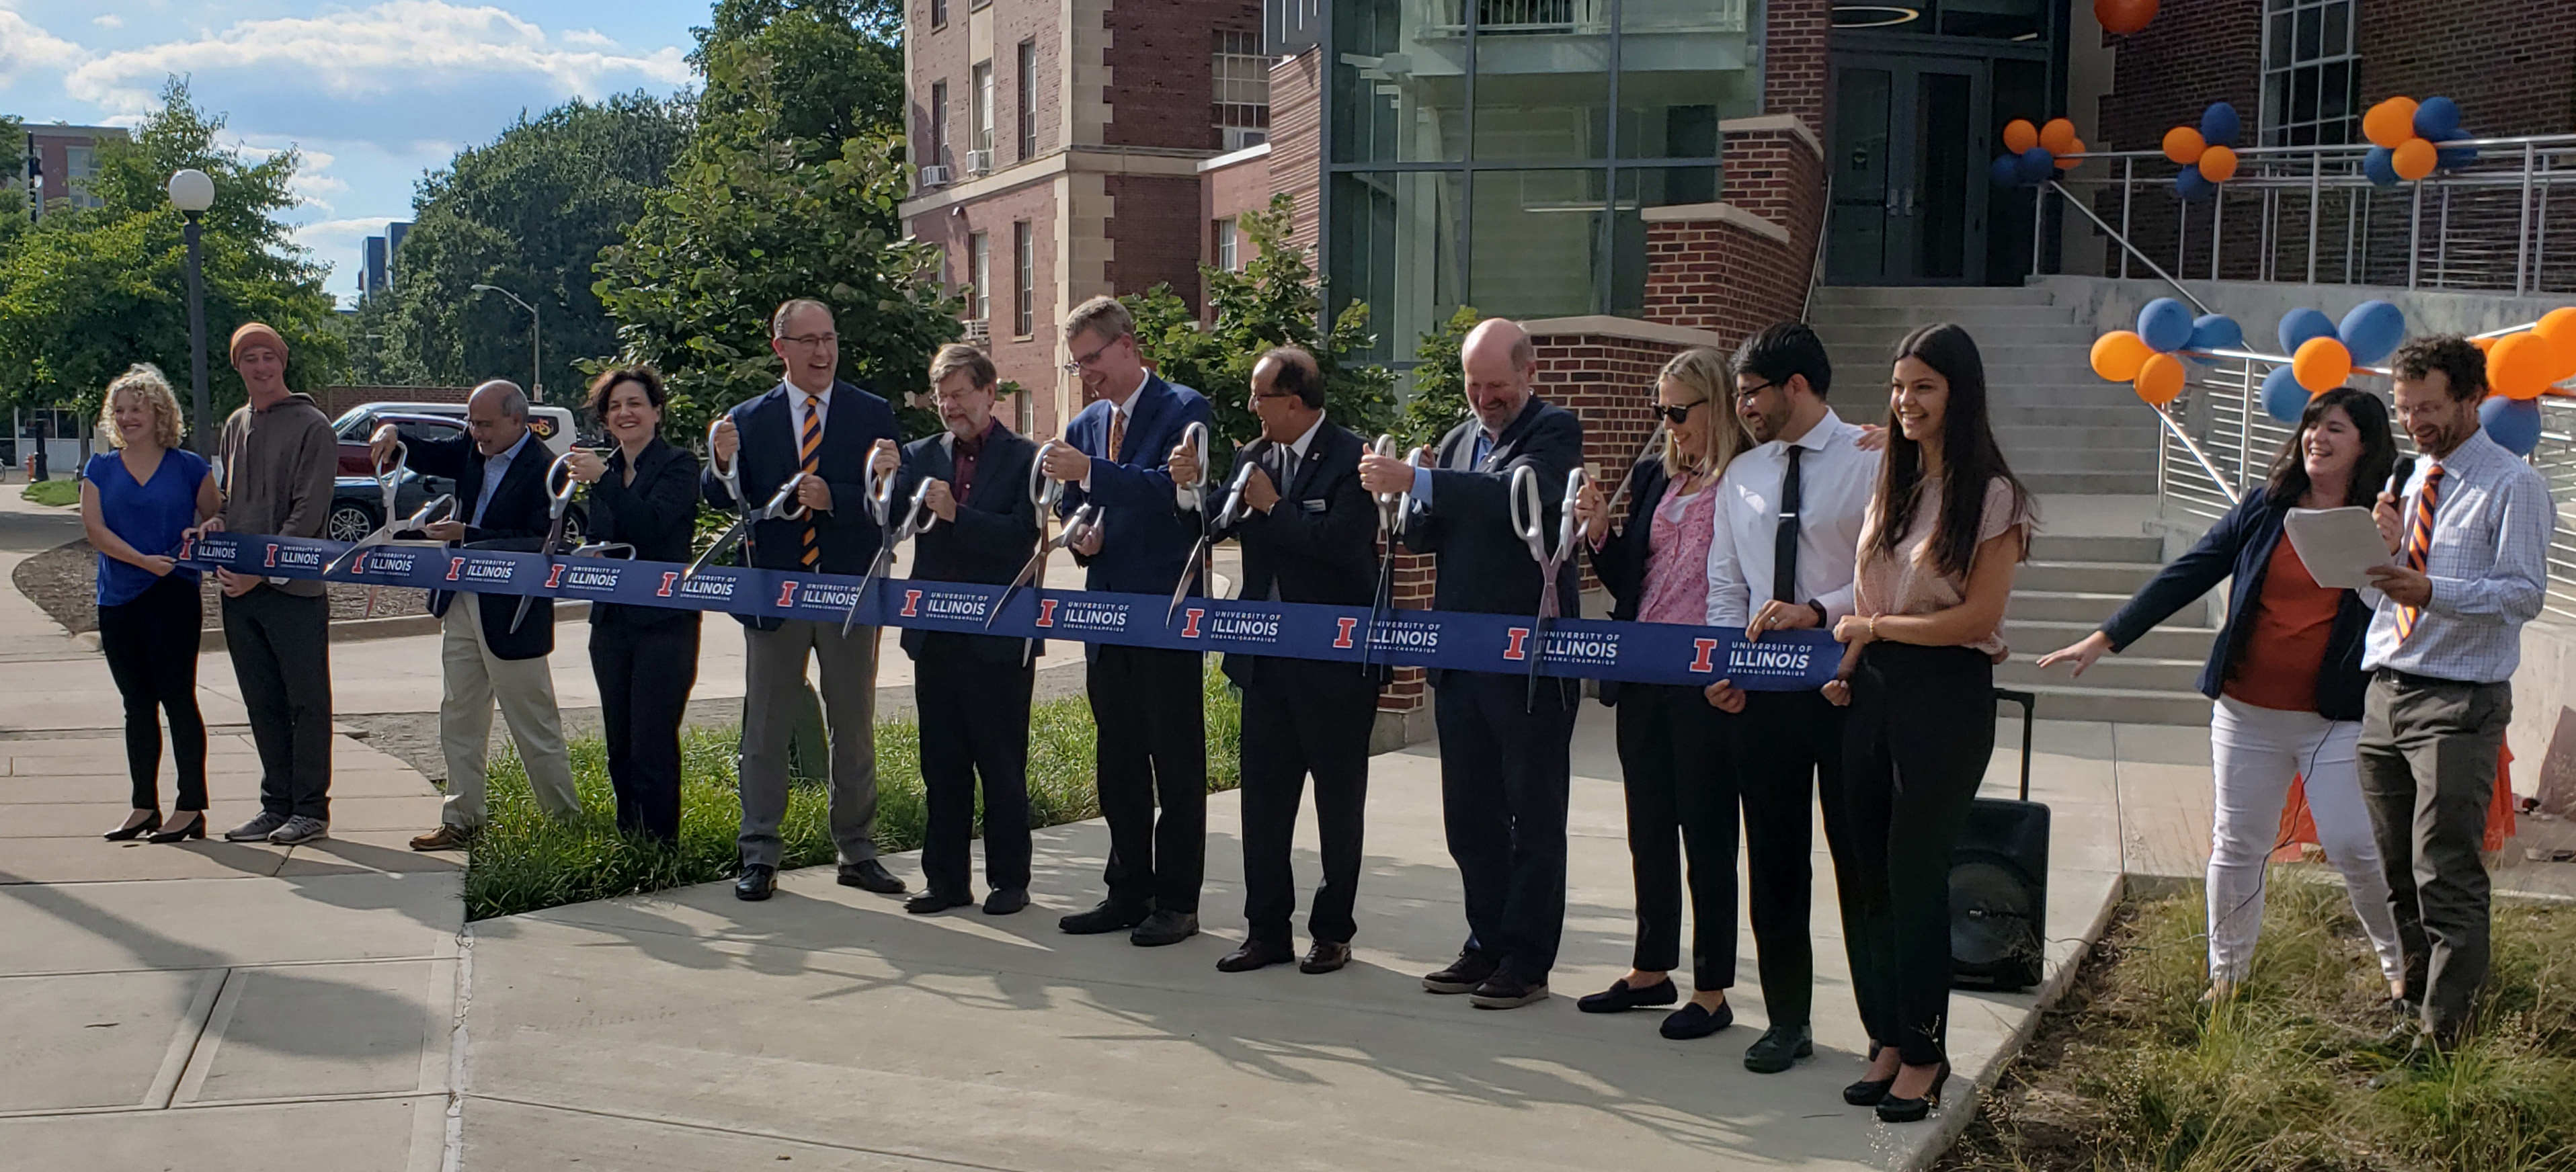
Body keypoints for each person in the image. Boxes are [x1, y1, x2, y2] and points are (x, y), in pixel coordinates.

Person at [2038, 387, 2407, 1006]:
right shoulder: (2266, 507)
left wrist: (2389, 552)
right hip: (2246, 712)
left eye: (2336, 429)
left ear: (2365, 445)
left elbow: (2393, 615)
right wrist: (2107, 636)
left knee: (2352, 844)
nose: (2317, 437)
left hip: (2333, 718)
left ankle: (2403, 970)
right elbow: (2192, 569)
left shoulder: (2381, 519)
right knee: (2238, 845)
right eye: (2313, 425)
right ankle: (2227, 978)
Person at [1828, 323, 2031, 1123]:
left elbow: (1976, 617)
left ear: (1959, 394)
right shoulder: (1895, 483)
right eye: (1898, 386)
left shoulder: (1994, 497)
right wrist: (1850, 667)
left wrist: (1872, 636)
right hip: (1872, 687)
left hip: (1946, 692)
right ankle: (1886, 1039)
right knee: (1867, 874)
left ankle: (1925, 1053)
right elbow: (1867, 598)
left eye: (1924, 387)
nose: (1906, 402)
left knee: (1914, 874)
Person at [1359, 318, 1584, 1010]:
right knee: (1471, 816)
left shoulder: (1554, 432)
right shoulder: (1457, 441)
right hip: (1459, 660)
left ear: (1528, 374)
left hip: (1530, 662)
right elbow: (1432, 533)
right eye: (1473, 384)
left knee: (1533, 816)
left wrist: (1424, 478)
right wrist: (1400, 498)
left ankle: (1526, 957)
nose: (1484, 398)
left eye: (1497, 386)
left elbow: (1516, 497)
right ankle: (1484, 939)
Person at [2358, 335, 2554, 1049]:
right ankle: (2407, 1012)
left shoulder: (2514, 485)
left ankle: (2444, 1043)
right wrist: (2374, 555)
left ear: (2472, 398)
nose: (2414, 423)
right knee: (2395, 876)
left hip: (2456, 702)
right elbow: (2379, 593)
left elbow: (2523, 594)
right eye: (2405, 408)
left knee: (2445, 873)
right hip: (2385, 689)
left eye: (2430, 408)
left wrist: (2432, 589)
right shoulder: (2410, 479)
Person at [1697, 321, 1881, 1073]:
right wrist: (1720, 664)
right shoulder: (1743, 476)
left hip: (1847, 687)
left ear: (1796, 387)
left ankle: (1886, 1027)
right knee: (1772, 858)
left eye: (1750, 394)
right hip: (1760, 697)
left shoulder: (1870, 459)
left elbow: (1884, 570)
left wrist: (1817, 609)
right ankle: (1786, 1021)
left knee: (1860, 860)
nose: (1741, 407)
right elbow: (1723, 578)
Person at [1171, 347, 1381, 975]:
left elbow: (1340, 544)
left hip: (1335, 669)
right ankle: (1266, 930)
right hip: (1264, 663)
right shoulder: (1252, 457)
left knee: (1337, 807)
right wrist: (1190, 493)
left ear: (1295, 401)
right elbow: (1214, 524)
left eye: (1261, 397)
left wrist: (1275, 507)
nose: (1252, 409)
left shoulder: (1354, 458)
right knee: (1263, 804)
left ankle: (1332, 931)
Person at [1566, 347, 1750, 1036]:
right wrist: (1599, 531)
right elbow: (1627, 581)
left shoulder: (1747, 477)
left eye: (1679, 411)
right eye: (1660, 411)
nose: (1668, 425)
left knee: (1705, 830)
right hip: (1644, 668)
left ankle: (1710, 987)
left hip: (1705, 676)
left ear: (1716, 406)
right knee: (1649, 826)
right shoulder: (1654, 477)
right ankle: (1651, 966)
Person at [707, 298, 908, 901]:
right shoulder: (748, 418)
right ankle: (760, 854)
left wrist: (838, 499)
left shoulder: (873, 414)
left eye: (830, 339)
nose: (823, 353)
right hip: (775, 597)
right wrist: (720, 461)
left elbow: (896, 505)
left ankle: (857, 850)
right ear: (781, 349)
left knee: (854, 724)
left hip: (849, 596)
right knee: (766, 728)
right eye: (808, 342)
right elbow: (722, 500)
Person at [1039, 295, 1213, 946]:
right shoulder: (1086, 422)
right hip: (1104, 608)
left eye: (1093, 358)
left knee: (1175, 759)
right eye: (1077, 363)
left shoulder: (1183, 410)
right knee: (1117, 758)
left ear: (1128, 346)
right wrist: (1078, 528)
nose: (1087, 373)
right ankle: (1126, 888)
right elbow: (1073, 502)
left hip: (1165, 610)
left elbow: (1171, 494)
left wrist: (1094, 474)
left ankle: (1177, 899)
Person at [388, 381, 582, 849]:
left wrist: (469, 534)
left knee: (532, 721)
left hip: (512, 612)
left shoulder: (548, 469)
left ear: (518, 420)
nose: (476, 433)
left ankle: (566, 825)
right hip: (460, 599)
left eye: (486, 424)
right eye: (472, 423)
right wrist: (392, 433)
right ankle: (462, 818)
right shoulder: (473, 447)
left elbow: (543, 542)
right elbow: (429, 453)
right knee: (459, 714)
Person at [885, 343, 1042, 917]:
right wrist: (879, 478)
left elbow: (1022, 540)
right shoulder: (919, 454)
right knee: (942, 765)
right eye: (941, 395)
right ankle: (946, 881)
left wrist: (958, 514)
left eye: (960, 394)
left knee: (1002, 765)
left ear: (989, 393)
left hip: (998, 639)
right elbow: (887, 526)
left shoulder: (1026, 458)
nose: (949, 405)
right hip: (936, 637)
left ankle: (1010, 881)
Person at [206, 323, 340, 846]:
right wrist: (216, 519)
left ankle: (310, 809)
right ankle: (275, 804)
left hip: (294, 590)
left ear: (283, 362)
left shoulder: (313, 426)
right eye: (249, 359)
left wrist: (261, 568)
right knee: (261, 700)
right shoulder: (236, 424)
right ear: (237, 366)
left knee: (306, 701)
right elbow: (229, 495)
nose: (261, 367)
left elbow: (309, 512)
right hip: (239, 592)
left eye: (269, 356)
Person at [83, 365, 221, 843]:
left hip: (173, 595)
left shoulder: (188, 467)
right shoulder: (99, 469)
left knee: (178, 699)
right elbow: (95, 532)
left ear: (159, 412)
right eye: (119, 411)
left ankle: (191, 807)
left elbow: (217, 515)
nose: (127, 418)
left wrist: (208, 529)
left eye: (136, 409)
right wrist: (141, 560)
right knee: (136, 705)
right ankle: (144, 805)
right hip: (119, 598)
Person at [565, 366, 702, 845]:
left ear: (657, 412)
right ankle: (630, 839)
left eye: (635, 404)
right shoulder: (606, 469)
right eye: (615, 407)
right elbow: (607, 533)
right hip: (611, 620)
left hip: (664, 623)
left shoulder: (680, 465)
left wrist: (603, 480)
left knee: (652, 740)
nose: (624, 414)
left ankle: (660, 845)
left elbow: (652, 525)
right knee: (619, 741)